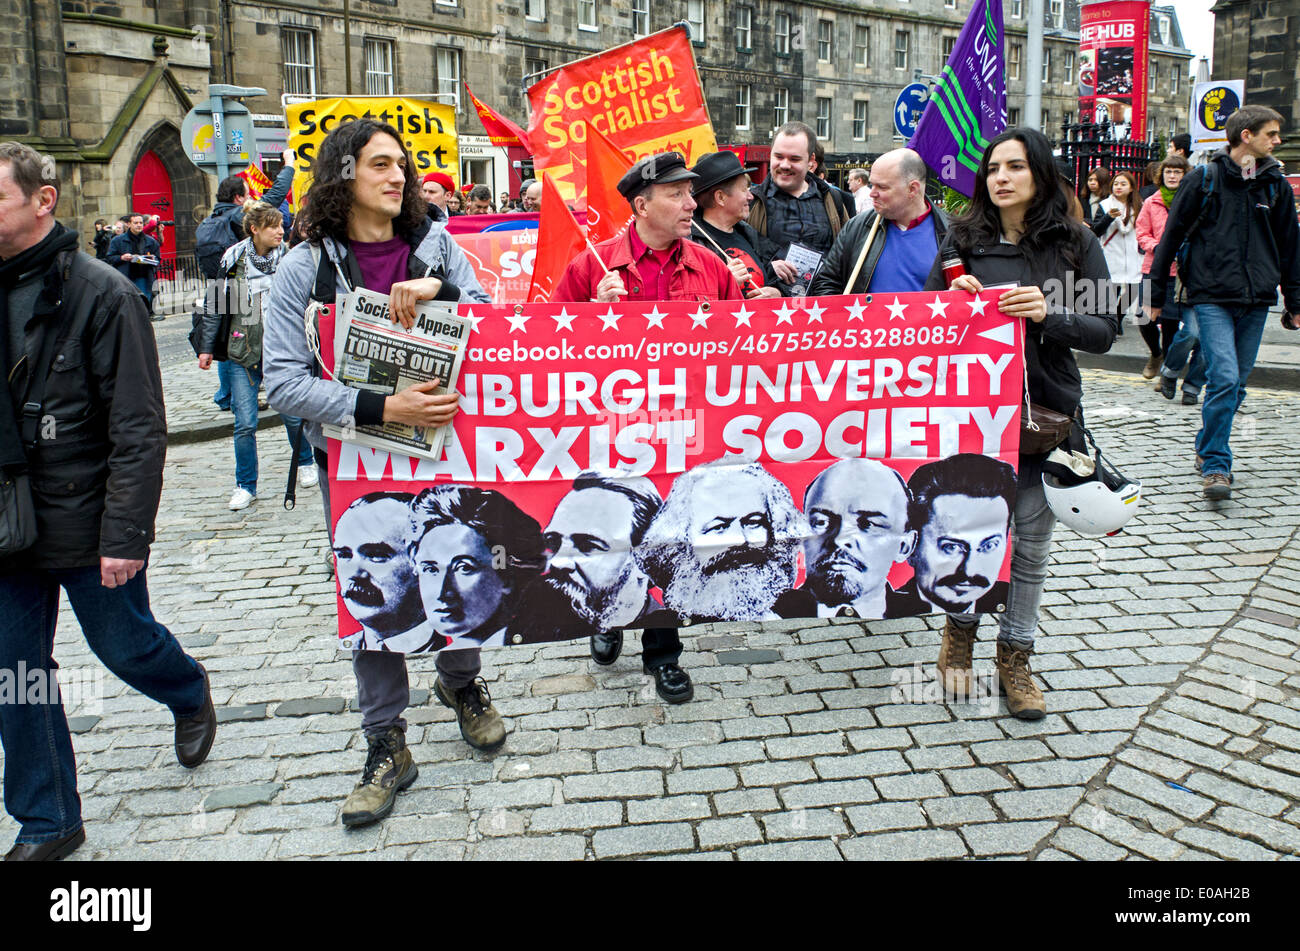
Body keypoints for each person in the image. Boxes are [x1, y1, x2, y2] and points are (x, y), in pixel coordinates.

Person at [263, 117, 495, 828]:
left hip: (447, 448)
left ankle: (463, 685)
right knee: (372, 586)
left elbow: (498, 328)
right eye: (380, 165)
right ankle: (385, 739)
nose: (397, 177)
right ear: (342, 175)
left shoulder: (436, 244)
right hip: (356, 460)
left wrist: (444, 296)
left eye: (402, 165)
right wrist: (381, 404)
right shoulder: (305, 267)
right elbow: (282, 382)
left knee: (455, 561)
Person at [0, 142, 216, 861]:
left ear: (42, 201)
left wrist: (126, 533)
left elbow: (138, 426)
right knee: (16, 671)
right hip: (7, 522)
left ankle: (186, 688)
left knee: (122, 646)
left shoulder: (103, 292)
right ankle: (48, 817)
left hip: (88, 517)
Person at [923, 127, 1116, 718]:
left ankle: (1017, 656)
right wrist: (957, 304)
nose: (1000, 178)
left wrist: (1048, 313)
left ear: (1039, 174)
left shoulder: (1074, 244)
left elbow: (1105, 330)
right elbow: (925, 324)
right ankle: (959, 635)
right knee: (974, 527)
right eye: (993, 168)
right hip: (972, 413)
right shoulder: (962, 240)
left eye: (1015, 167)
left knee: (1030, 545)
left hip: (1044, 412)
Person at [553, 151, 744, 703]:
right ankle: (608, 618)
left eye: (691, 194)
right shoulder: (593, 265)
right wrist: (590, 313)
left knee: (670, 537)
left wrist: (760, 303)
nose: (692, 203)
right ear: (641, 205)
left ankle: (664, 655)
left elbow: (743, 348)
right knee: (614, 532)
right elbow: (547, 351)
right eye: (678, 195)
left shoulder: (710, 266)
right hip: (610, 431)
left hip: (686, 432)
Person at [1147, 105, 1300, 501]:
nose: (1278, 141)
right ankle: (1216, 464)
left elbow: (1290, 247)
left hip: (1256, 299)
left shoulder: (1274, 185)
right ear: (1246, 136)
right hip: (1211, 296)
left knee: (1235, 385)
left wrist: (1294, 300)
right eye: (1271, 133)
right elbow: (1172, 236)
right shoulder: (1204, 179)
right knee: (1225, 378)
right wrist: (1156, 295)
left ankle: (1205, 444)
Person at [196, 201, 317, 510]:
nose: (281, 230)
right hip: (242, 349)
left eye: (281, 225)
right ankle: (245, 485)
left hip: (281, 351)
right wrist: (207, 348)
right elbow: (218, 307)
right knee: (245, 423)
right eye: (274, 226)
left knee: (292, 415)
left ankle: (305, 462)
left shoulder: (289, 259)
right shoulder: (234, 260)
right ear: (255, 230)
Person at [636, 460, 806, 624]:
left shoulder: (806, 608)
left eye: (753, 522)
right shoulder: (659, 624)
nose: (739, 539)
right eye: (718, 527)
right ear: (682, 543)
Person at [509, 474, 664, 642]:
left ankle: (658, 656)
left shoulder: (666, 616)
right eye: (553, 543)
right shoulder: (520, 626)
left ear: (646, 561)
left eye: (588, 546)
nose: (557, 562)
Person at [775, 459, 915, 620]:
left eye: (868, 524)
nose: (840, 539)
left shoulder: (927, 615)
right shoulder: (766, 614)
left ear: (903, 546)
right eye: (822, 522)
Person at [409, 485, 545, 649]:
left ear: (506, 576)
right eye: (431, 569)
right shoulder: (440, 657)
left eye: (464, 568)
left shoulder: (535, 645)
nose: (442, 593)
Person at [886, 454, 1015, 617]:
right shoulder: (883, 605)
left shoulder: (1010, 596)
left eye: (988, 546)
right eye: (951, 547)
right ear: (911, 547)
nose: (970, 570)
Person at [809, 148, 949, 297]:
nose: (872, 193)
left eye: (882, 187)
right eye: (872, 184)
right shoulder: (857, 228)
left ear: (912, 189)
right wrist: (844, 316)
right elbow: (827, 282)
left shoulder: (953, 233)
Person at [747, 121, 851, 293]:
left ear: (811, 161)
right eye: (779, 157)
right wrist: (767, 267)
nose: (785, 165)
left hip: (824, 308)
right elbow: (735, 254)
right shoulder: (751, 201)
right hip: (772, 311)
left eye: (794, 159)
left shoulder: (833, 199)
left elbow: (848, 252)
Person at [334, 492, 441, 653]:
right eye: (344, 555)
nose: (354, 572)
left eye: (376, 556)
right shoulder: (353, 642)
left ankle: (456, 677)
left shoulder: (462, 636)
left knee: (460, 666)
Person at [1137, 154, 1206, 404]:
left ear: (1185, 175)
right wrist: (1159, 247)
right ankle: (1155, 354)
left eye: (1178, 172)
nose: (1173, 176)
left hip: (1180, 273)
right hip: (1153, 267)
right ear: (1162, 175)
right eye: (1169, 172)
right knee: (1143, 318)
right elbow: (1141, 232)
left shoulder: (1192, 201)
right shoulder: (1151, 202)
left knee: (1170, 326)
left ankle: (1166, 370)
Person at [689, 150, 782, 299]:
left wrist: (776, 293)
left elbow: (776, 282)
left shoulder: (750, 234)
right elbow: (687, 303)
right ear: (720, 197)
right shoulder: (690, 243)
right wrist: (723, 283)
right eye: (744, 189)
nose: (750, 196)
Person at [1091, 170, 1145, 369]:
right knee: (1111, 293)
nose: (1118, 187)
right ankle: (1111, 326)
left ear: (1131, 187)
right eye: (1116, 184)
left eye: (1123, 184)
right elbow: (1095, 230)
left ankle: (1118, 318)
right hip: (1111, 255)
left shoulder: (1140, 206)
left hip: (1132, 255)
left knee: (1131, 291)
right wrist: (1108, 218)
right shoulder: (1105, 206)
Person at [107, 212, 160, 312]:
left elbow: (158, 259)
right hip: (126, 278)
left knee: (143, 307)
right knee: (129, 308)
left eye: (141, 223)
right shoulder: (117, 240)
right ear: (128, 224)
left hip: (144, 278)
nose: (139, 225)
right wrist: (122, 258)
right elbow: (110, 258)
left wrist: (152, 259)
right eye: (136, 223)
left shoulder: (151, 241)